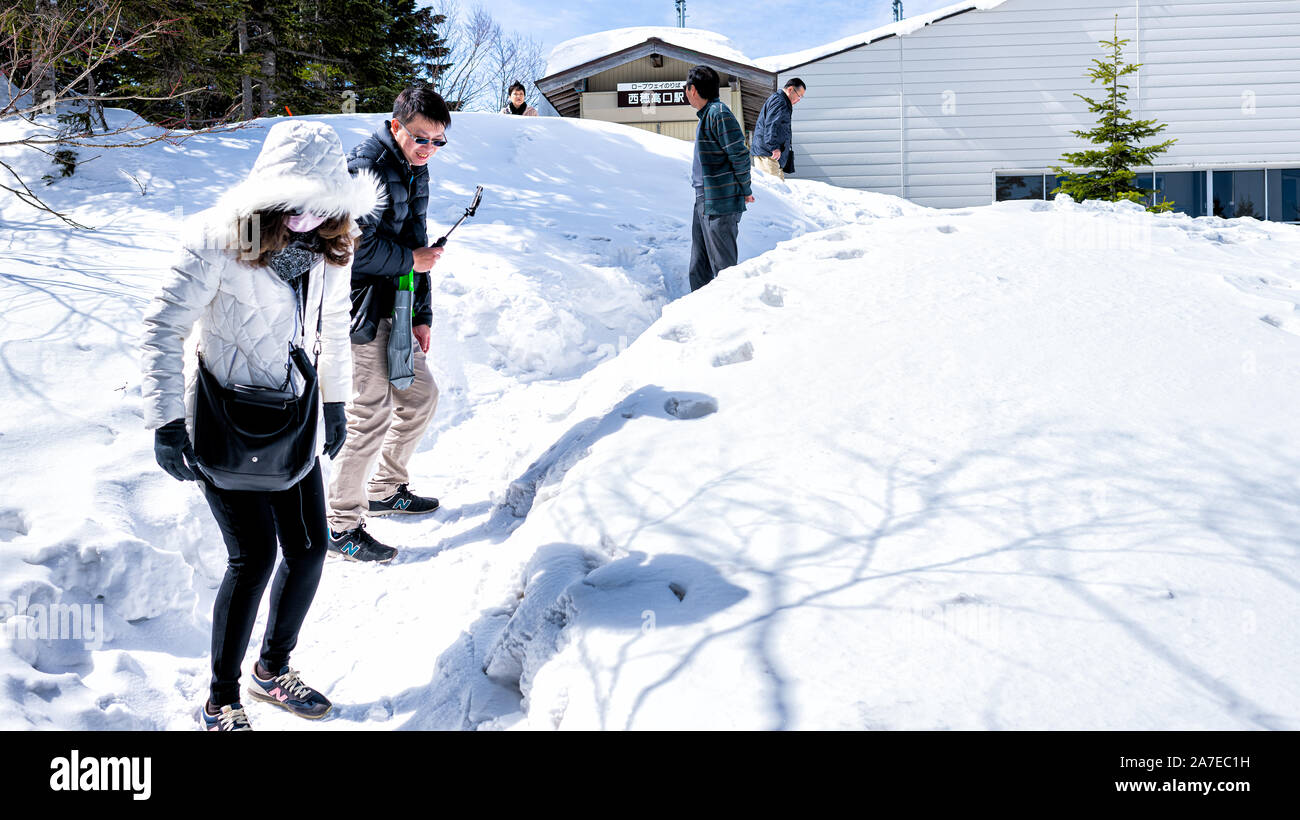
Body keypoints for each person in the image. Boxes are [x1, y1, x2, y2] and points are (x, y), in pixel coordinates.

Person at [141, 119, 383, 730]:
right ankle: (221, 700)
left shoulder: (332, 247)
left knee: (308, 549)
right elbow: (161, 327)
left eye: (320, 204)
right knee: (252, 558)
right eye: (293, 203)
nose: (305, 216)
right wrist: (166, 422)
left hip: (294, 417)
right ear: (268, 192)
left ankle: (273, 669)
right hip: (227, 419)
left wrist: (334, 402)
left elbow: (331, 327)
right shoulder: (217, 240)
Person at [325, 86, 451, 563]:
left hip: (398, 308)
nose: (429, 150)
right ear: (396, 126)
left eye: (438, 141)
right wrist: (413, 261)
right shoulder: (366, 167)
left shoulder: (415, 170)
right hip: (362, 311)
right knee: (369, 416)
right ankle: (341, 524)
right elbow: (352, 251)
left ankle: (384, 487)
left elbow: (419, 247)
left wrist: (422, 314)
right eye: (422, 139)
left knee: (421, 397)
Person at [685, 64, 754, 292]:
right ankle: (699, 319)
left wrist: (745, 189)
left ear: (693, 90)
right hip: (704, 199)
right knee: (699, 267)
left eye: (686, 88)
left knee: (724, 271)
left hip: (720, 202)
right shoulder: (707, 115)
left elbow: (740, 153)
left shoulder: (718, 113)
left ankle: (730, 321)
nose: (686, 93)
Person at [751, 78, 805, 181]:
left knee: (779, 190)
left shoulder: (783, 102)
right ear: (790, 89)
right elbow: (771, 125)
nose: (799, 100)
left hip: (773, 156)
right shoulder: (779, 101)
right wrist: (774, 147)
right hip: (768, 154)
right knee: (772, 190)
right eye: (799, 96)